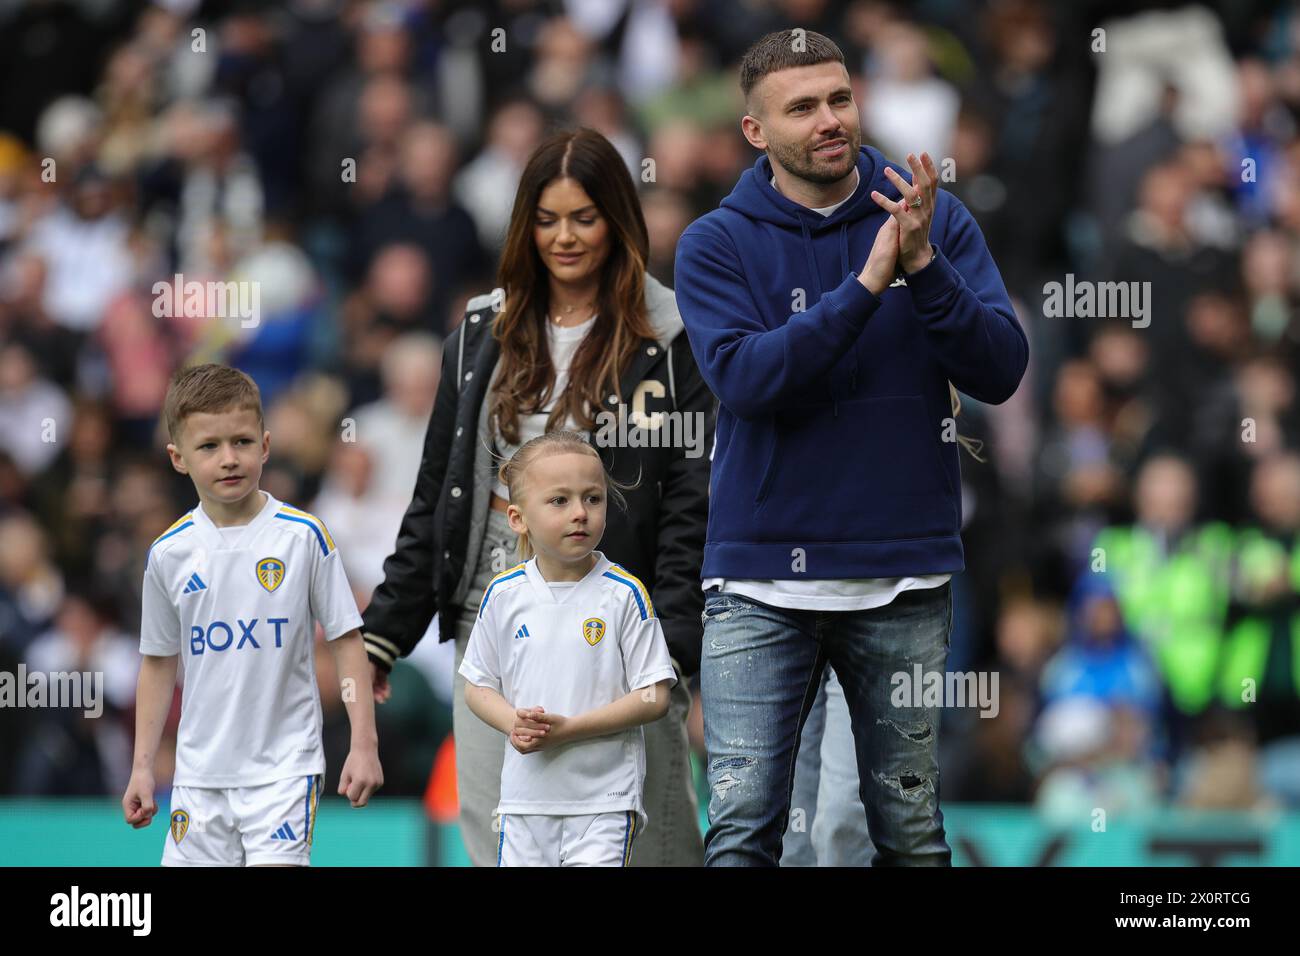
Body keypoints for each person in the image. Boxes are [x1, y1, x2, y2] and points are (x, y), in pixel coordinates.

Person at [674, 30, 1028, 866]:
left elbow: (1001, 369)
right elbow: (750, 381)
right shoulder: (714, 242)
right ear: (756, 132)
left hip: (901, 572)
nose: (830, 120)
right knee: (743, 834)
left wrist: (926, 266)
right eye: (802, 107)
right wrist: (870, 284)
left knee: (904, 836)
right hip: (760, 581)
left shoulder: (930, 212)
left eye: (840, 99)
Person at [361, 128, 713, 866]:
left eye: (585, 217)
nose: (564, 237)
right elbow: (438, 497)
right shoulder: (480, 334)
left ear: (619, 220)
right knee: (504, 851)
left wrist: (673, 650)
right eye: (547, 219)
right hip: (495, 637)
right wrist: (383, 637)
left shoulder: (674, 336)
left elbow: (690, 507)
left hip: (620, 641)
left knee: (650, 852)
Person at [121, 364, 383, 866]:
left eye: (241, 442)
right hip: (199, 777)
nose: (228, 459)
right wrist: (142, 767)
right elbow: (158, 663)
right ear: (178, 458)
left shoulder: (303, 536)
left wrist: (363, 744)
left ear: (265, 445)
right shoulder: (169, 553)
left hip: (284, 771)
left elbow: (347, 641)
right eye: (209, 447)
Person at [460, 430, 677, 866]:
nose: (580, 513)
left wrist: (570, 730)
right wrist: (513, 723)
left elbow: (655, 696)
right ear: (518, 518)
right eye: (559, 501)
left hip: (604, 801)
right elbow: (477, 687)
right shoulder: (503, 595)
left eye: (592, 499)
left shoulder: (624, 593)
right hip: (525, 803)